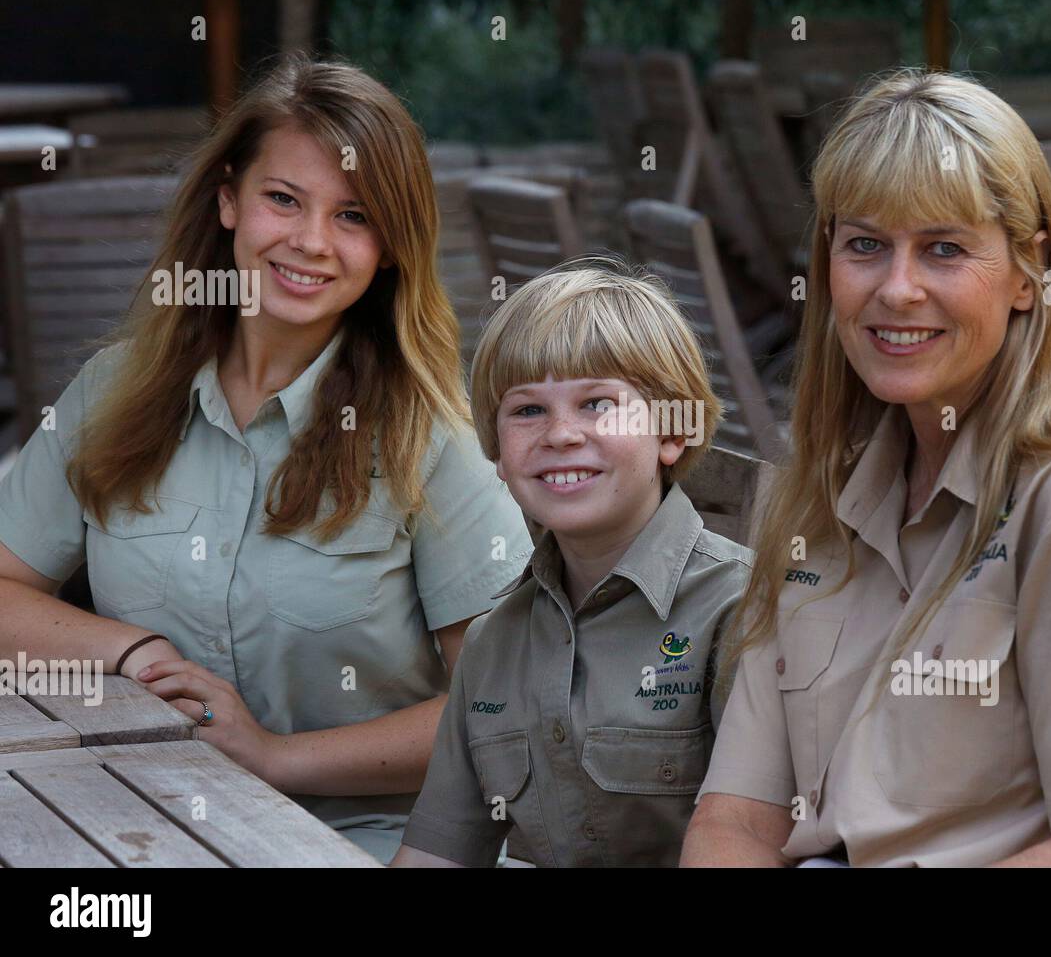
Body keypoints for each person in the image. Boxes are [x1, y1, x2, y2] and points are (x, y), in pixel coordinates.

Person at [681, 69, 1051, 868]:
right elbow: (735, 819)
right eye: (866, 246)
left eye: (944, 249)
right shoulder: (827, 495)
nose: (897, 287)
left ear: (1029, 273)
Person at [0, 54, 533, 864]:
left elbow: (506, 703)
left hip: (369, 840)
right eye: (283, 198)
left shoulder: (425, 434)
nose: (310, 242)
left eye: (354, 216)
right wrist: (131, 651)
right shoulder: (115, 392)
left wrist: (277, 756)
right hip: (142, 818)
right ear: (227, 201)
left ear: (391, 247)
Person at [391, 265, 754, 867]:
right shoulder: (493, 641)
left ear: (671, 433)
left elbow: (758, 836)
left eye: (597, 404)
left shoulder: (742, 611)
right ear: (497, 455)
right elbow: (438, 853)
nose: (561, 434)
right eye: (527, 411)